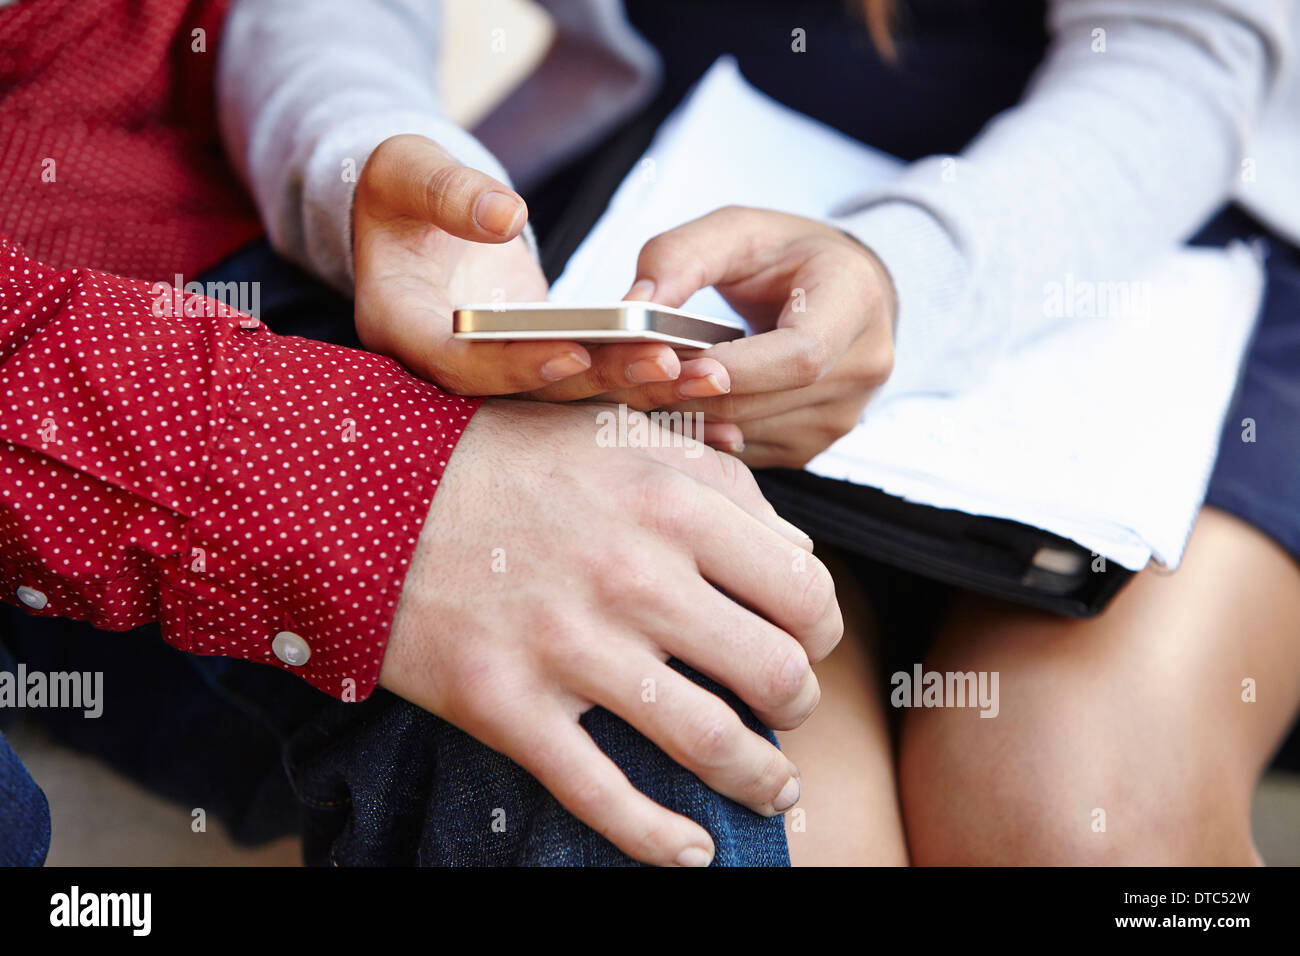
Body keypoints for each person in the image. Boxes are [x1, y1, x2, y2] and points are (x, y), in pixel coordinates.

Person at [219, 0, 1300, 864]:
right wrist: (367, 158)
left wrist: (908, 275)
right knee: (762, 816)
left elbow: (1188, 49)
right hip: (669, 264)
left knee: (1082, 817)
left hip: (1147, 257)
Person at [0, 0, 845, 867]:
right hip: (108, 356)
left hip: (190, 255)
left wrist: (367, 149)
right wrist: (365, 487)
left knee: (627, 691)